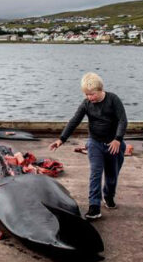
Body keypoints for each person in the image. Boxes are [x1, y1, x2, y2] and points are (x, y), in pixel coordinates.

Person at [50, 72, 127, 220]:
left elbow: (123, 120)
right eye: (86, 94)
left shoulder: (113, 99)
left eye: (92, 94)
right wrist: (61, 139)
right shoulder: (86, 104)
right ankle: (94, 207)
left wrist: (118, 139)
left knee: (112, 175)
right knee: (95, 174)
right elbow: (74, 121)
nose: (89, 97)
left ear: (100, 90)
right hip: (95, 143)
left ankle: (109, 196)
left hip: (114, 144)